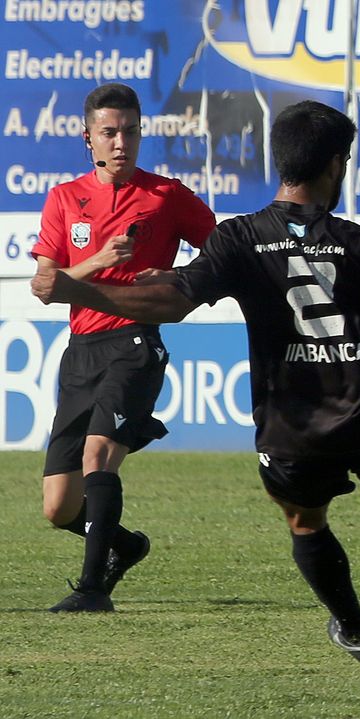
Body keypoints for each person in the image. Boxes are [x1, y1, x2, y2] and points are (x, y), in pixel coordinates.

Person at [31, 101, 360, 678]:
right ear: (334, 164)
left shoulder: (240, 239)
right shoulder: (359, 244)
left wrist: (85, 292)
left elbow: (173, 301)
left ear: (280, 162)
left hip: (289, 425)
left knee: (306, 524)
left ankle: (351, 622)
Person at [31, 83, 216, 613]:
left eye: (130, 132)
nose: (121, 143)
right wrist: (96, 261)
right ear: (87, 137)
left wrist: (177, 276)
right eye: (109, 133)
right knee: (58, 507)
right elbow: (45, 286)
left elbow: (221, 253)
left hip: (135, 343)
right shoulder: (65, 199)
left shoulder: (167, 196)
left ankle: (91, 591)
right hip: (81, 349)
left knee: (99, 454)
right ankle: (125, 544)